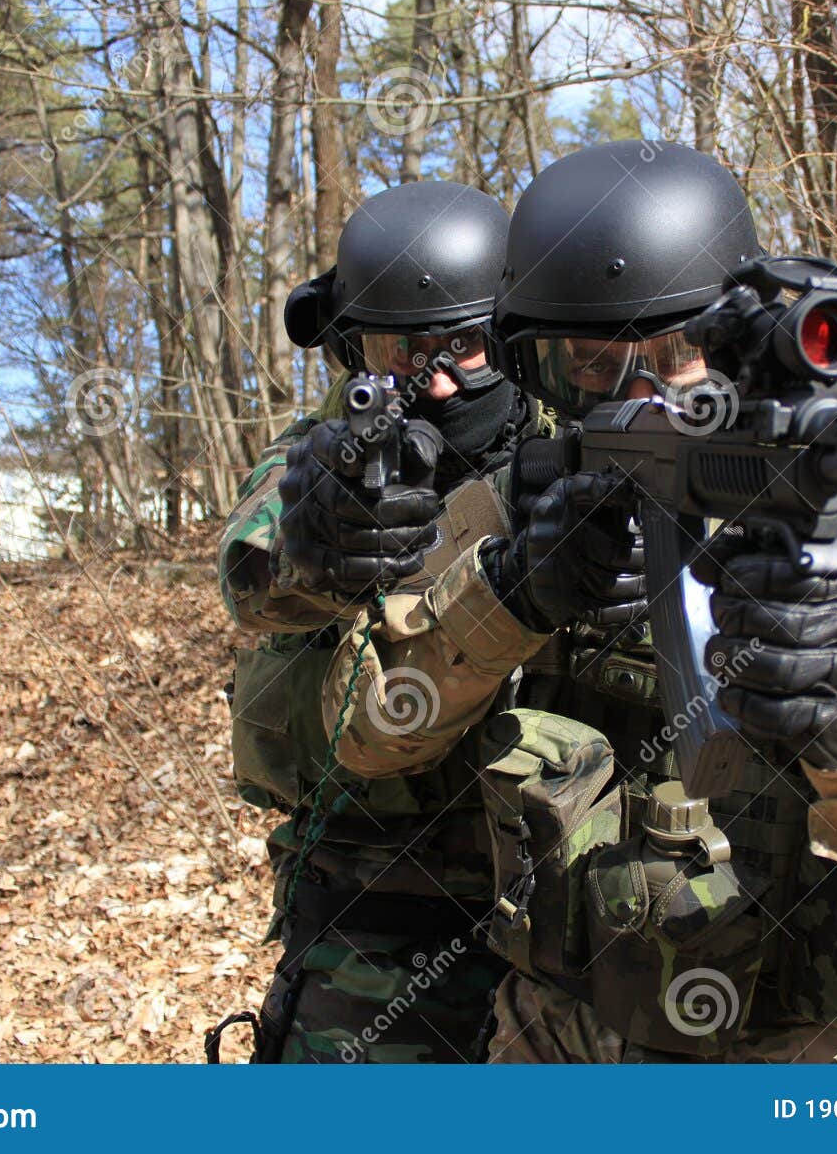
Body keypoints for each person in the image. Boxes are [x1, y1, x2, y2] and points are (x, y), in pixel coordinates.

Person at [314, 140, 837, 1063]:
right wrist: (505, 595)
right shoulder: (507, 512)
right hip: (558, 1043)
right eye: (586, 365)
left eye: (673, 357)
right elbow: (362, 733)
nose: (635, 400)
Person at [213, 180, 543, 1063]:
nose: (429, 379)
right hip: (376, 926)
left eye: (461, 346)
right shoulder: (322, 454)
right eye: (397, 350)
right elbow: (255, 574)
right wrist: (318, 541)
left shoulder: (561, 438)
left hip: (566, 923)